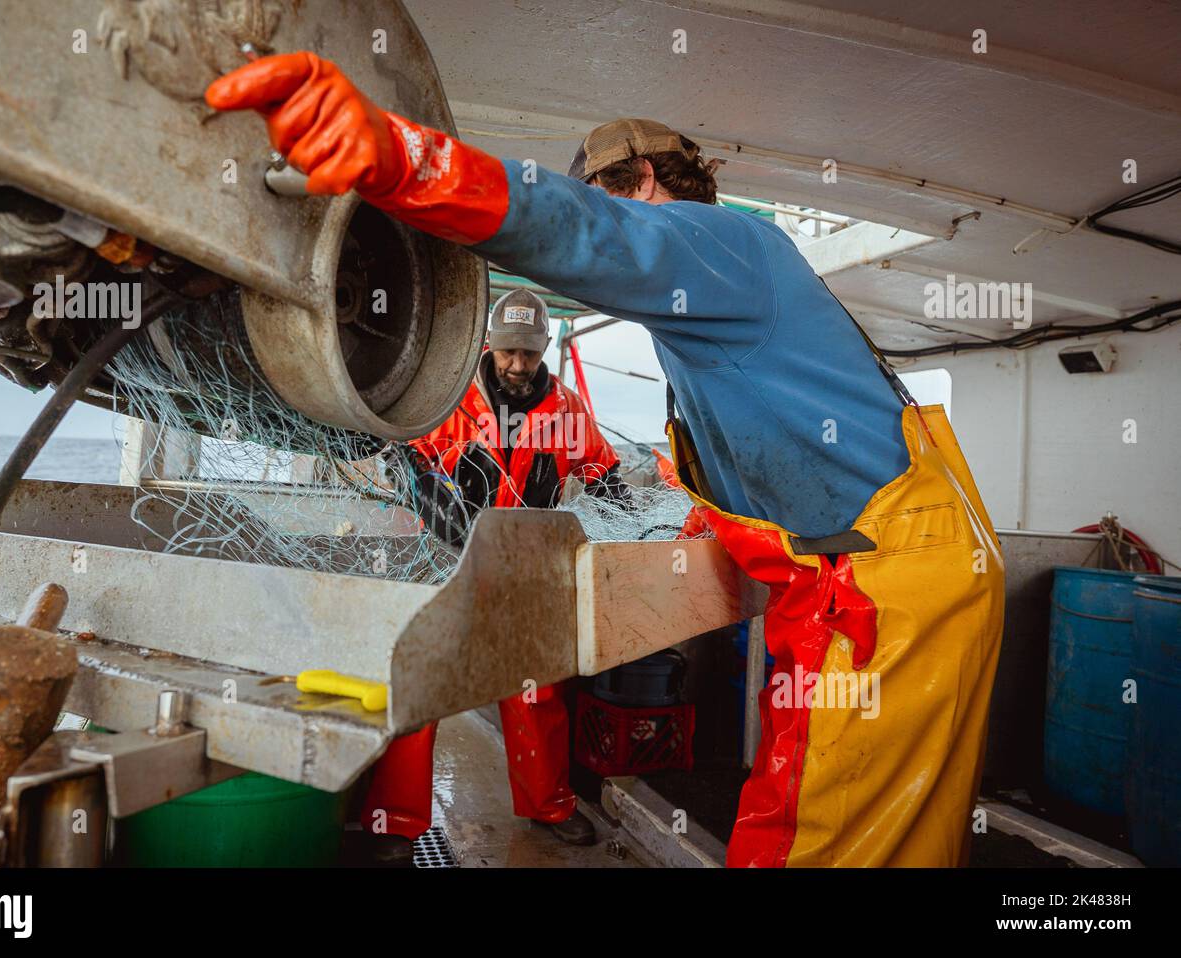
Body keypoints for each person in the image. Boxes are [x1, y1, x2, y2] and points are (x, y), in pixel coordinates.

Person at [206, 54, 1005, 867]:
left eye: (609, 194)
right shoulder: (706, 315)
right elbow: (761, 455)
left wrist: (402, 159)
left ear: (649, 180)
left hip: (877, 592)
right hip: (883, 573)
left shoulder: (724, 243)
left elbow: (594, 234)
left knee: (815, 842)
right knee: (855, 829)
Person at [361, 288, 627, 864]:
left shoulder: (568, 411)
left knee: (536, 691)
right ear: (488, 344)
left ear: (544, 349)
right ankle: (396, 820)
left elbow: (603, 472)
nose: (516, 365)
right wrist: (417, 477)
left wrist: (628, 519)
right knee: (420, 684)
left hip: (524, 573)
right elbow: (403, 454)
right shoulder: (447, 399)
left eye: (528, 355)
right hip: (443, 567)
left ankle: (549, 805)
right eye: (508, 352)